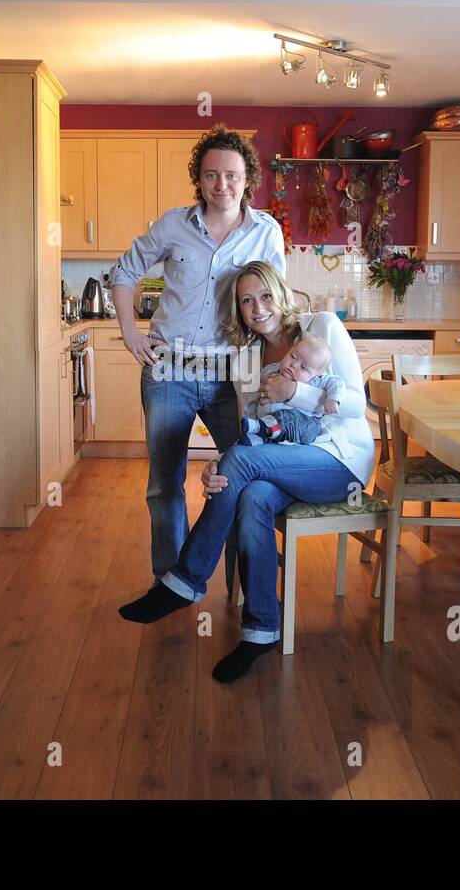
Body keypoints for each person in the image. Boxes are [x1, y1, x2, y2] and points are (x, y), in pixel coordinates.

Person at [119, 262, 374, 683]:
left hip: (337, 462)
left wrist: (298, 393)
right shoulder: (247, 361)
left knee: (243, 465)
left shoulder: (322, 328)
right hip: (284, 464)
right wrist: (222, 463)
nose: (258, 308)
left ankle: (184, 580)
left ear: (281, 293)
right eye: (247, 301)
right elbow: (254, 431)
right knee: (252, 496)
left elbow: (353, 403)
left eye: (266, 296)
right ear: (238, 310)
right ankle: (261, 630)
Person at [109, 125, 286, 584]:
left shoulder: (266, 232)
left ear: (248, 177)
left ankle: (240, 582)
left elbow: (274, 303)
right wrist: (131, 333)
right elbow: (124, 272)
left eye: (231, 175)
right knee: (166, 483)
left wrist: (281, 367)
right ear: (199, 180)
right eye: (211, 175)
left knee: (238, 477)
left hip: (236, 371)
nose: (221, 185)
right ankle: (174, 580)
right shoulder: (172, 225)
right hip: (170, 369)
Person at [239, 334, 343, 445]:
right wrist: (250, 416)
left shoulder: (316, 380)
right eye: (293, 356)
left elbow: (336, 382)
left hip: (300, 429)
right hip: (268, 427)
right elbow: (255, 398)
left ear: (318, 374)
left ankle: (263, 428)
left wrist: (332, 399)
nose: (293, 364)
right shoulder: (270, 371)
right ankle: (260, 435)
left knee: (292, 418)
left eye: (303, 367)